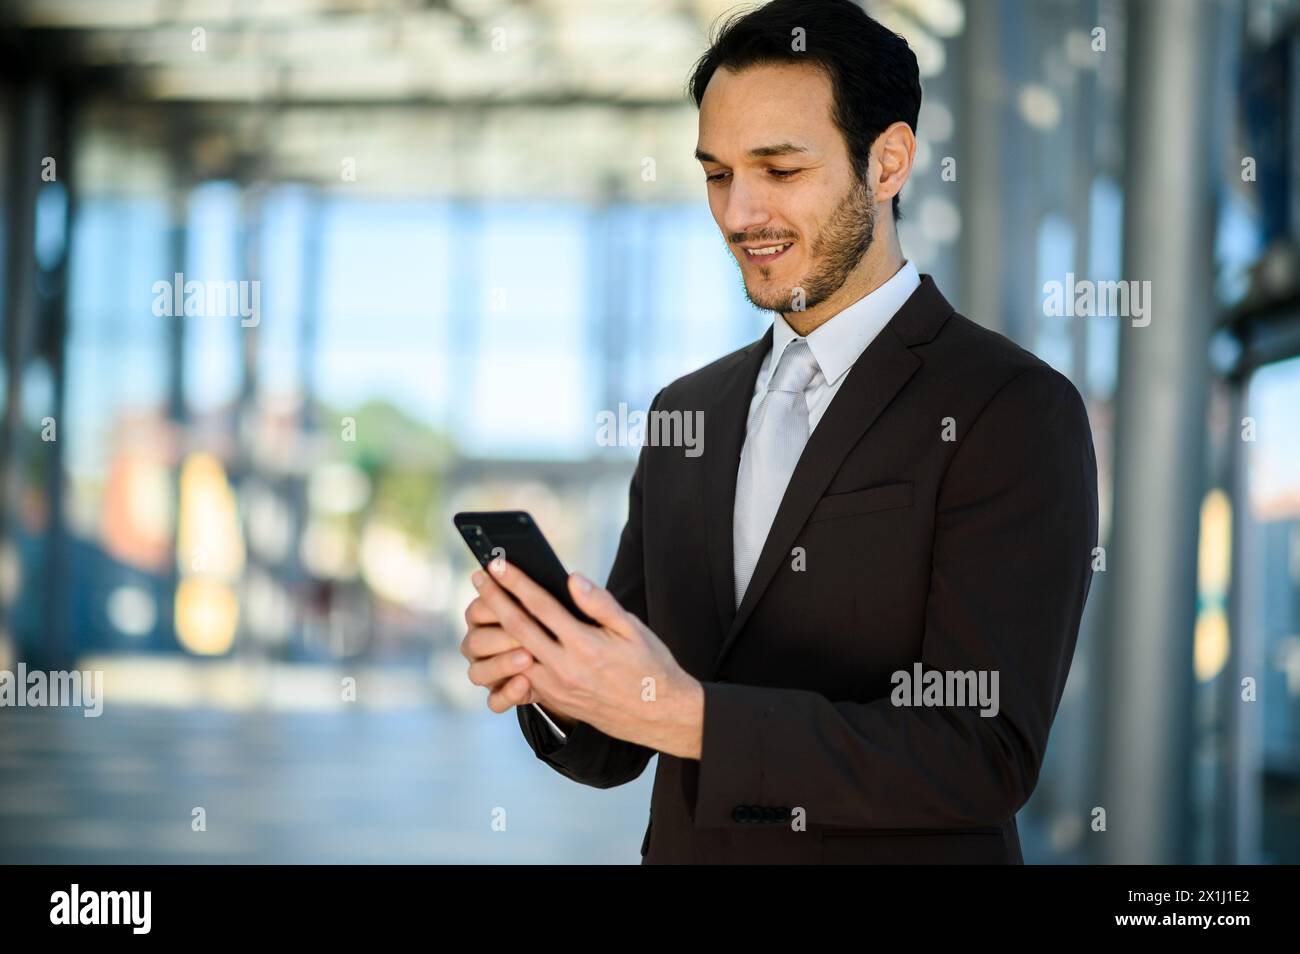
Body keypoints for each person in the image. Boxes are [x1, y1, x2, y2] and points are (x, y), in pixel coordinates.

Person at [461, 0, 1097, 864]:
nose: (737, 213)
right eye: (718, 174)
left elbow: (981, 751)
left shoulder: (1012, 408)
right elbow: (622, 740)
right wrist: (557, 680)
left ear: (889, 162)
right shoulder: (686, 412)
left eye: (780, 170)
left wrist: (690, 716)